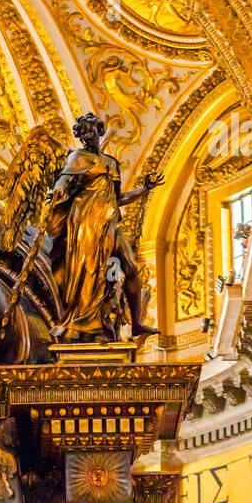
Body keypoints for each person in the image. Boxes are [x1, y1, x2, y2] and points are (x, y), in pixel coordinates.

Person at [42, 112, 162, 342]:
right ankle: (87, 324)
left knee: (131, 267)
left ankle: (136, 323)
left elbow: (118, 198)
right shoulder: (77, 158)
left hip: (110, 222)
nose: (87, 135)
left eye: (91, 130)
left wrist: (145, 189)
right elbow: (64, 180)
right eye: (83, 132)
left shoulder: (111, 163)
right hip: (86, 223)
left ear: (99, 130)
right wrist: (58, 190)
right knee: (89, 274)